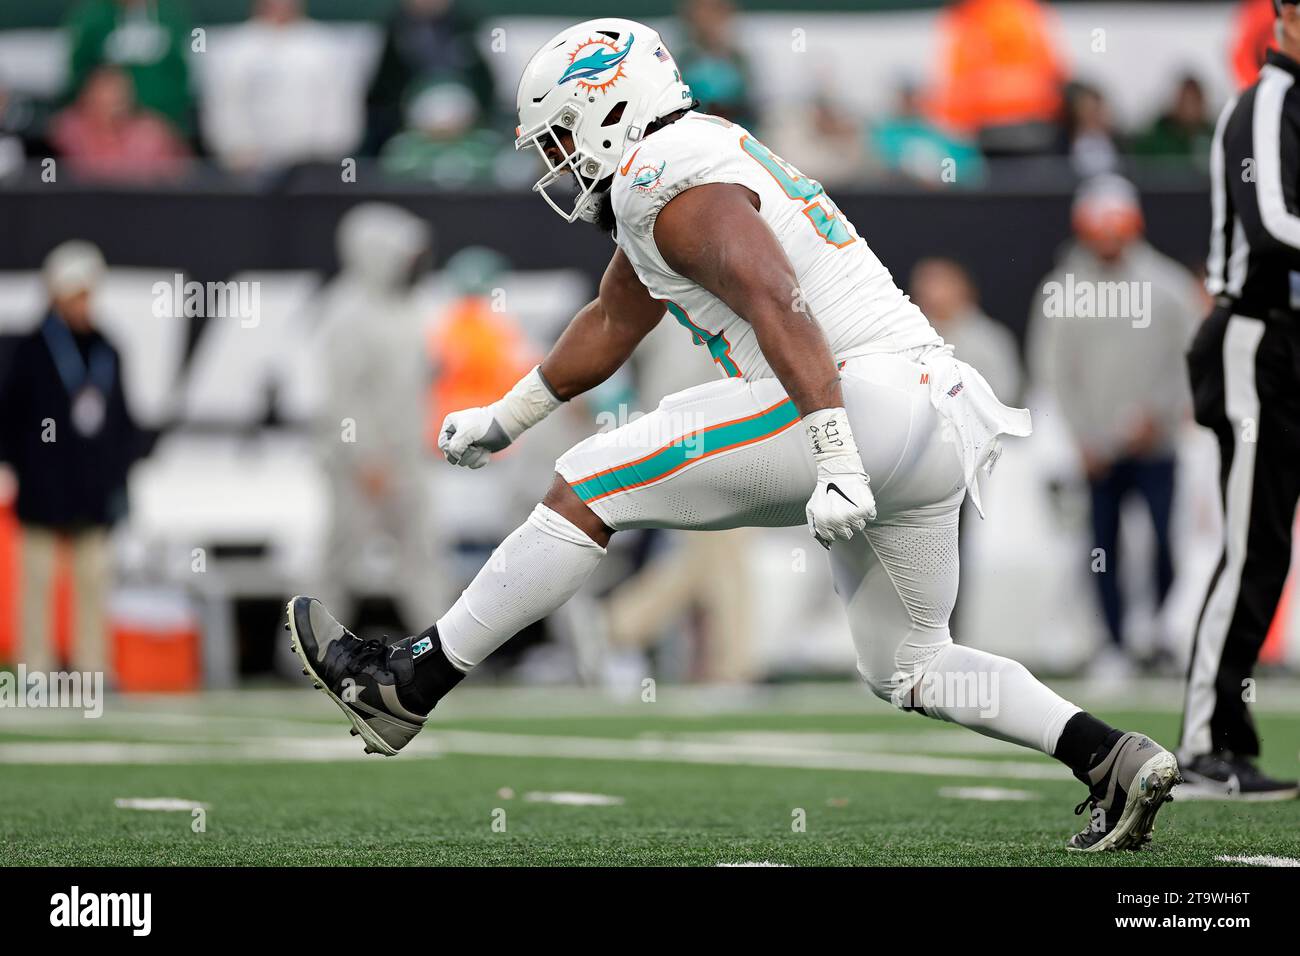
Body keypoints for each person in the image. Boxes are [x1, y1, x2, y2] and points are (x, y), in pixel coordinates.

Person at [287, 18, 1181, 852]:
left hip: (858, 404)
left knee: (592, 481)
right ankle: (1108, 755)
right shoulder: (681, 168)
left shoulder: (658, 174)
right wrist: (504, 417)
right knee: (910, 663)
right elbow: (612, 317)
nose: (557, 161)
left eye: (562, 135)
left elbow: (776, 299)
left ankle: (412, 680)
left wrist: (833, 454)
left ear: (608, 107)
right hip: (931, 415)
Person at [1180, 0, 1300, 800]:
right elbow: (1271, 223)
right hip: (1255, 337)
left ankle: (1227, 737)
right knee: (1253, 545)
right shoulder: (1269, 99)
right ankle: (1204, 744)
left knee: (1269, 550)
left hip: (1286, 337)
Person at [1028, 175, 1197, 676]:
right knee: (1102, 547)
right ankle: (1114, 643)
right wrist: (1080, 435)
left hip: (1156, 442)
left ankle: (1162, 633)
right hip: (1094, 447)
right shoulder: (1062, 289)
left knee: (1167, 540)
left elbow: (1189, 360)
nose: (1107, 237)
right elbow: (1052, 370)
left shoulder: (1168, 287)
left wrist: (1161, 415)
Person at [0, 241, 146, 677]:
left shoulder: (107, 348)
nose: (85, 302)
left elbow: (121, 420)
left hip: (93, 491)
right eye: (77, 292)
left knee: (94, 582)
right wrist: (23, 468)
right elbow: (9, 417)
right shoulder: (31, 350)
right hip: (43, 490)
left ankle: (92, 669)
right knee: (38, 583)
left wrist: (117, 474)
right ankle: (35, 670)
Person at [311, 204, 441, 635]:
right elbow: (342, 399)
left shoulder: (409, 309)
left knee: (422, 553)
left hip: (407, 457)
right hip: (359, 464)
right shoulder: (347, 312)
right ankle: (309, 646)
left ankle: (444, 650)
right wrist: (366, 458)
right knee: (342, 556)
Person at [200, 0, 361, 172]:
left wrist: (324, 156)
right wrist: (238, 150)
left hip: (314, 172)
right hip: (248, 172)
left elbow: (338, 114)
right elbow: (225, 110)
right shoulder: (231, 50)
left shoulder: (328, 48)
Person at [48, 65, 190, 182]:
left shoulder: (152, 133)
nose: (113, 99)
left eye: (119, 91)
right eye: (105, 91)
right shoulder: (68, 129)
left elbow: (180, 179)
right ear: (87, 95)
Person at [910, 258, 1021, 403]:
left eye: (939, 283)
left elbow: (1006, 392)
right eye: (925, 283)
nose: (931, 291)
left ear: (962, 288)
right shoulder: (910, 337)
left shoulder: (989, 338)